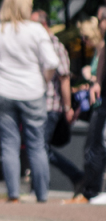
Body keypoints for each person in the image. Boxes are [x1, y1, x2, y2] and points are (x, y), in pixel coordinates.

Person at [0, 0, 59, 202]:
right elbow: (52, 63)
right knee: (37, 145)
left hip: (4, 91)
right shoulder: (36, 30)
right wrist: (43, 82)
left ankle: (13, 194)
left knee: (9, 144)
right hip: (32, 91)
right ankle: (42, 195)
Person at [31, 10, 84, 189]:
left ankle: (73, 175)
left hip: (51, 106)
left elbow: (64, 78)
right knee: (39, 148)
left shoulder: (55, 45)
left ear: (43, 25)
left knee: (40, 149)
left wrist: (67, 107)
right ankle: (39, 185)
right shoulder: (38, 44)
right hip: (40, 105)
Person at [74, 17, 106, 204]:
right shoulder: (100, 51)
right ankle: (90, 191)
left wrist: (93, 78)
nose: (83, 41)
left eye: (85, 36)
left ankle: (91, 191)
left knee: (96, 145)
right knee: (93, 145)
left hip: (101, 103)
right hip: (99, 102)